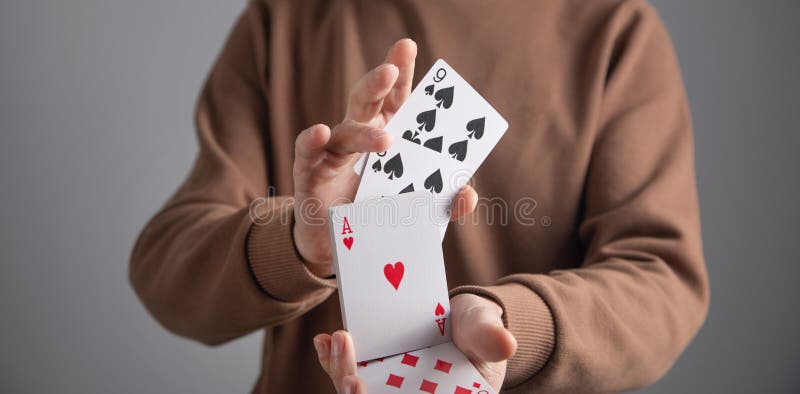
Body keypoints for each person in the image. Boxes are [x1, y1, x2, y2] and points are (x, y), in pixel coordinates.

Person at [129, 0, 709, 392]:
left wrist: (511, 325)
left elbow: (660, 280)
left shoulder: (613, 29)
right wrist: (303, 242)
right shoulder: (284, 19)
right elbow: (166, 273)